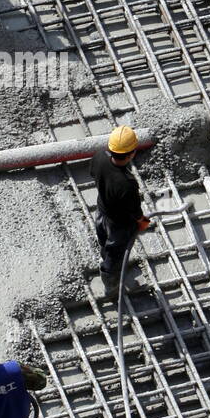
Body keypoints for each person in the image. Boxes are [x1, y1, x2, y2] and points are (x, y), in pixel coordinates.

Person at [88, 125, 151, 298]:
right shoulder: (127, 183)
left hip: (101, 211)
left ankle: (105, 257)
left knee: (104, 239)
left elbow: (93, 173)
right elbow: (134, 210)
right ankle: (112, 288)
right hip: (118, 224)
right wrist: (142, 221)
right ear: (131, 153)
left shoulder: (99, 155)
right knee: (115, 255)